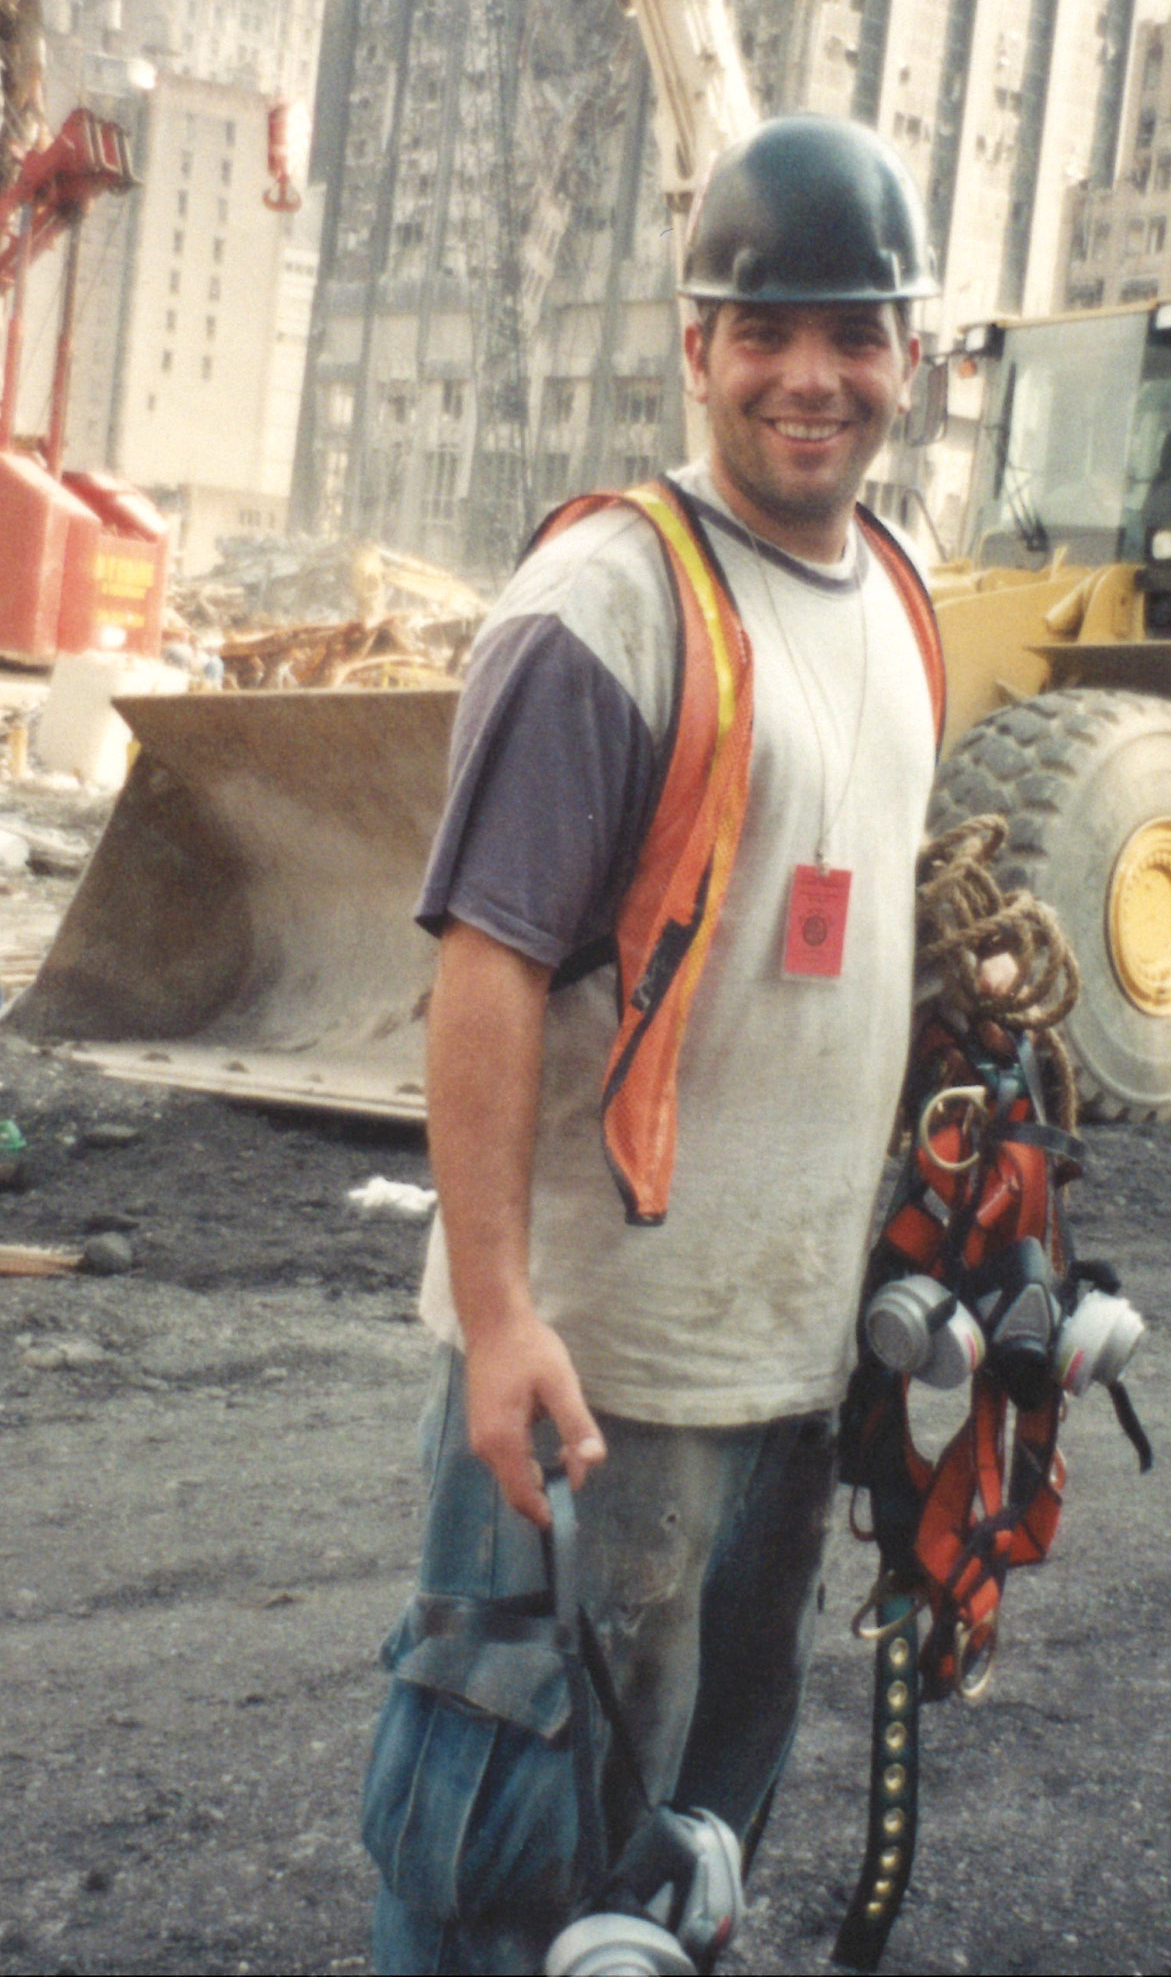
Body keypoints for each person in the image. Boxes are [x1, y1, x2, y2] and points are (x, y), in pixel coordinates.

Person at [363, 116, 945, 1976]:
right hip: (593, 1390)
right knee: (504, 1876)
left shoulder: (906, 607)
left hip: (781, 1382)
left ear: (905, 356)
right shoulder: (603, 611)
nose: (807, 376)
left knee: (680, 1874)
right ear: (689, 345)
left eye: (850, 334)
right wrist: (500, 1309)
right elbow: (485, 971)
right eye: (759, 330)